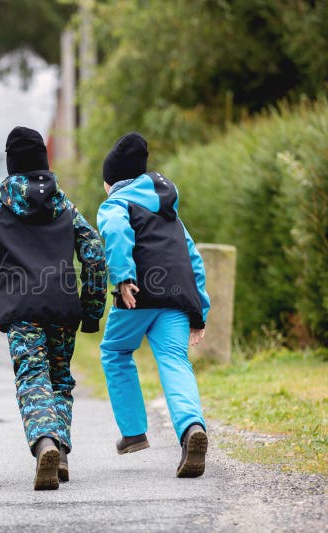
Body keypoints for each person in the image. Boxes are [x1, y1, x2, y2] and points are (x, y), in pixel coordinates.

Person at [0, 126, 107, 490]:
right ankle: (60, 454)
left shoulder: (0, 203)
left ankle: (45, 443)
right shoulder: (64, 204)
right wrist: (92, 309)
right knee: (60, 382)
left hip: (22, 310)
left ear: (11, 163)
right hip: (63, 308)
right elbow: (94, 252)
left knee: (32, 379)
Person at [97, 132, 211, 478]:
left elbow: (115, 231)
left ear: (111, 182)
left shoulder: (115, 203)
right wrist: (199, 311)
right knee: (175, 361)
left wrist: (123, 278)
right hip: (177, 298)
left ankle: (133, 433)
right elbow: (193, 258)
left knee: (115, 352)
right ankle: (192, 428)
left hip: (138, 294)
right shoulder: (170, 212)